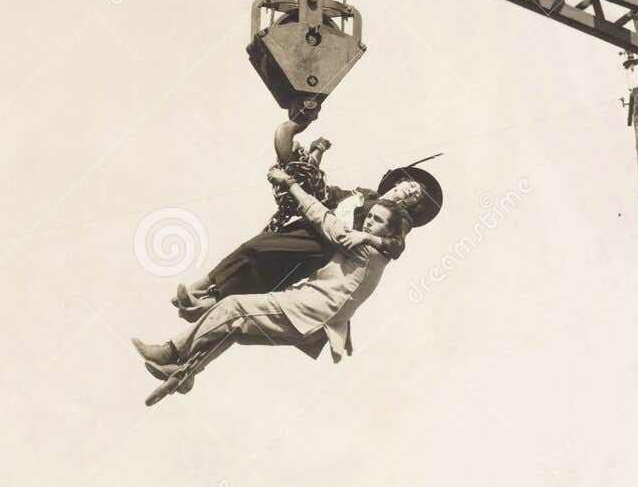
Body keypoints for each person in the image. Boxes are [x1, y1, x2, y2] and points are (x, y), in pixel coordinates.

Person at [132, 167, 411, 394]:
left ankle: (170, 351)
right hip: (314, 323)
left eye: (377, 221)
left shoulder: (365, 245)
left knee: (233, 308)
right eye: (370, 218)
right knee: (235, 326)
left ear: (389, 229)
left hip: (307, 310)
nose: (369, 223)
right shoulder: (370, 240)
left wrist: (288, 182)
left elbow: (321, 216)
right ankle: (187, 372)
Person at [171, 120, 442, 321]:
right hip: (311, 229)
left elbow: (396, 246)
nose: (404, 191)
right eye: (405, 185)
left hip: (327, 246)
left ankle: (202, 293)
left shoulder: (398, 219)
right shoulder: (358, 195)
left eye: (411, 194)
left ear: (410, 204)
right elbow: (322, 193)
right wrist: (315, 153)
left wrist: (365, 236)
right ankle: (203, 301)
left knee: (257, 250)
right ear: (395, 183)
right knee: (261, 266)